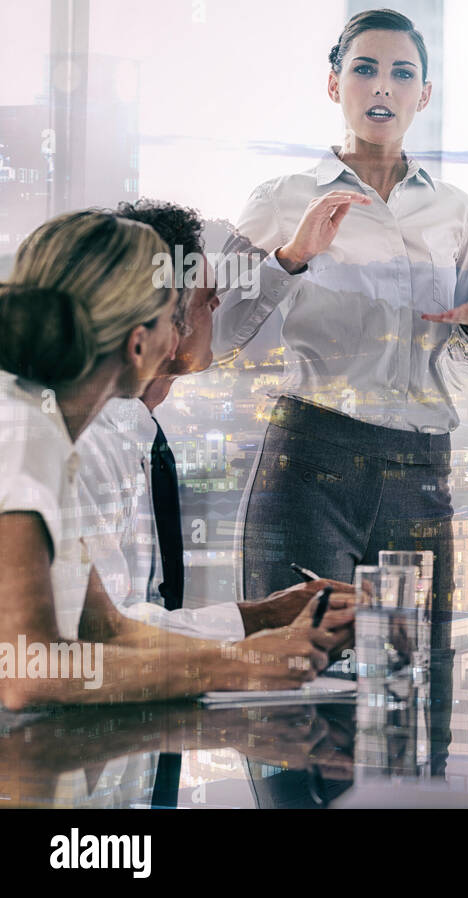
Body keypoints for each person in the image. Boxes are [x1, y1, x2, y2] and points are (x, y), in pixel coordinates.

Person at [213, 9, 468, 617]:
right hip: (310, 463)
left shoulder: (459, 212)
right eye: (364, 69)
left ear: (423, 95)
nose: (381, 86)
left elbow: (465, 376)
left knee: (421, 680)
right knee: (298, 675)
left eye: (402, 74)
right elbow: (213, 336)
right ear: (333, 84)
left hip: (422, 473)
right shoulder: (280, 198)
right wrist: (291, 257)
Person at [0, 210, 336, 709]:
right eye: (170, 317)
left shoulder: (47, 433)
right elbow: (27, 673)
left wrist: (269, 636)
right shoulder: (22, 438)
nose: (179, 334)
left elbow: (107, 628)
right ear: (140, 344)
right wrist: (237, 664)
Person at [77, 199, 354, 641]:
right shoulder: (89, 451)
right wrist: (259, 626)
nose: (218, 306)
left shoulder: (130, 435)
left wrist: (265, 615)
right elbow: (103, 638)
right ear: (163, 323)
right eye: (208, 301)